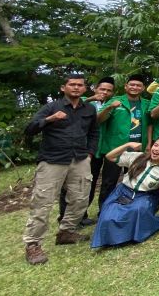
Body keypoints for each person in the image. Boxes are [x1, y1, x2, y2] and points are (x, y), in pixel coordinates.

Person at [23, 74, 99, 265]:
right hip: (53, 160)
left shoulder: (89, 109)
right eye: (72, 84)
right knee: (43, 202)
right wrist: (50, 119)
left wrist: (90, 153)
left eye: (79, 85)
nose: (76, 88)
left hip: (80, 158)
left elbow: (94, 133)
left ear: (84, 89)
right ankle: (33, 244)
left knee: (81, 197)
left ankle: (66, 231)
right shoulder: (52, 107)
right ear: (63, 88)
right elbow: (30, 129)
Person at [91, 137, 159, 248]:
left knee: (137, 211)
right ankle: (114, 237)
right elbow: (110, 156)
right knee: (107, 218)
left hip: (145, 197)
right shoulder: (138, 157)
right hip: (122, 192)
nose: (157, 148)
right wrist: (127, 145)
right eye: (156, 145)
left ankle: (125, 237)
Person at [58, 76, 114, 227]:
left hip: (104, 147)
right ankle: (68, 216)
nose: (105, 92)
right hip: (83, 148)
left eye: (109, 90)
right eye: (102, 89)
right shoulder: (81, 101)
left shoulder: (114, 104)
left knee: (104, 182)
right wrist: (91, 98)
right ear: (95, 88)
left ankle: (100, 212)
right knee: (78, 183)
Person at [93, 74, 150, 214]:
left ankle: (128, 208)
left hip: (137, 148)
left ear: (143, 88)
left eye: (138, 85)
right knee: (109, 181)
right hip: (115, 149)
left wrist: (148, 144)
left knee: (133, 179)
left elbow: (150, 124)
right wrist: (109, 108)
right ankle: (105, 210)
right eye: (132, 84)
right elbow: (98, 120)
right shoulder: (115, 101)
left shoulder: (146, 103)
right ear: (126, 86)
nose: (135, 87)